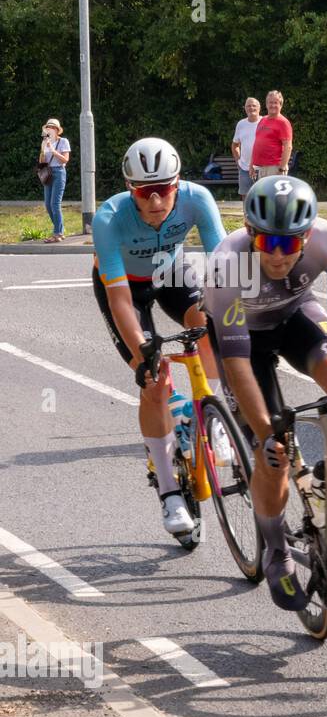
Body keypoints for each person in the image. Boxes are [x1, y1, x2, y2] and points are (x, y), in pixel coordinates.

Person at [204, 175, 327, 610]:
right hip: (242, 342)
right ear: (251, 233)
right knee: (273, 452)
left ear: (307, 236)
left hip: (294, 317)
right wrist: (267, 431)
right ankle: (276, 548)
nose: (277, 254)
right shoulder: (228, 264)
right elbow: (234, 363)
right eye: (267, 241)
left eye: (290, 244)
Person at [91, 138, 228, 539]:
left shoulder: (197, 199)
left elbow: (222, 266)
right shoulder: (109, 218)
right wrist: (143, 350)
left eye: (163, 190)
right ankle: (169, 493)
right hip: (125, 288)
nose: (154, 201)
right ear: (130, 190)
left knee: (210, 324)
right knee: (154, 382)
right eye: (143, 192)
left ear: (177, 183)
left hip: (171, 273)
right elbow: (118, 300)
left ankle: (216, 418)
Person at [39, 118, 71, 243]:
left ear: (57, 130)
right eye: (48, 127)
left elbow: (65, 160)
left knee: (55, 204)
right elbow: (42, 162)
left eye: (52, 127)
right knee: (48, 204)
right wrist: (43, 149)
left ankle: (57, 233)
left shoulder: (63, 141)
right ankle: (59, 230)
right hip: (48, 173)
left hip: (59, 172)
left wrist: (52, 150)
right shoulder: (44, 142)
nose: (49, 129)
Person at [251, 90, 292, 182]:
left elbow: (288, 147)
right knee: (263, 196)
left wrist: (281, 168)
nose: (272, 105)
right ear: (266, 104)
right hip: (260, 168)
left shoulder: (283, 122)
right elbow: (256, 143)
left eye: (275, 103)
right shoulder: (262, 120)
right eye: (270, 102)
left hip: (275, 168)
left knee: (275, 196)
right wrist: (251, 165)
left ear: (280, 105)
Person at [231, 97, 261, 196]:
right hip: (244, 168)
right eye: (248, 106)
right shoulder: (241, 124)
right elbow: (235, 145)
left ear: (259, 108)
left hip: (263, 168)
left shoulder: (265, 122)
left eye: (254, 105)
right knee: (246, 196)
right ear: (245, 108)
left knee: (263, 197)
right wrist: (238, 162)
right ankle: (246, 212)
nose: (251, 108)